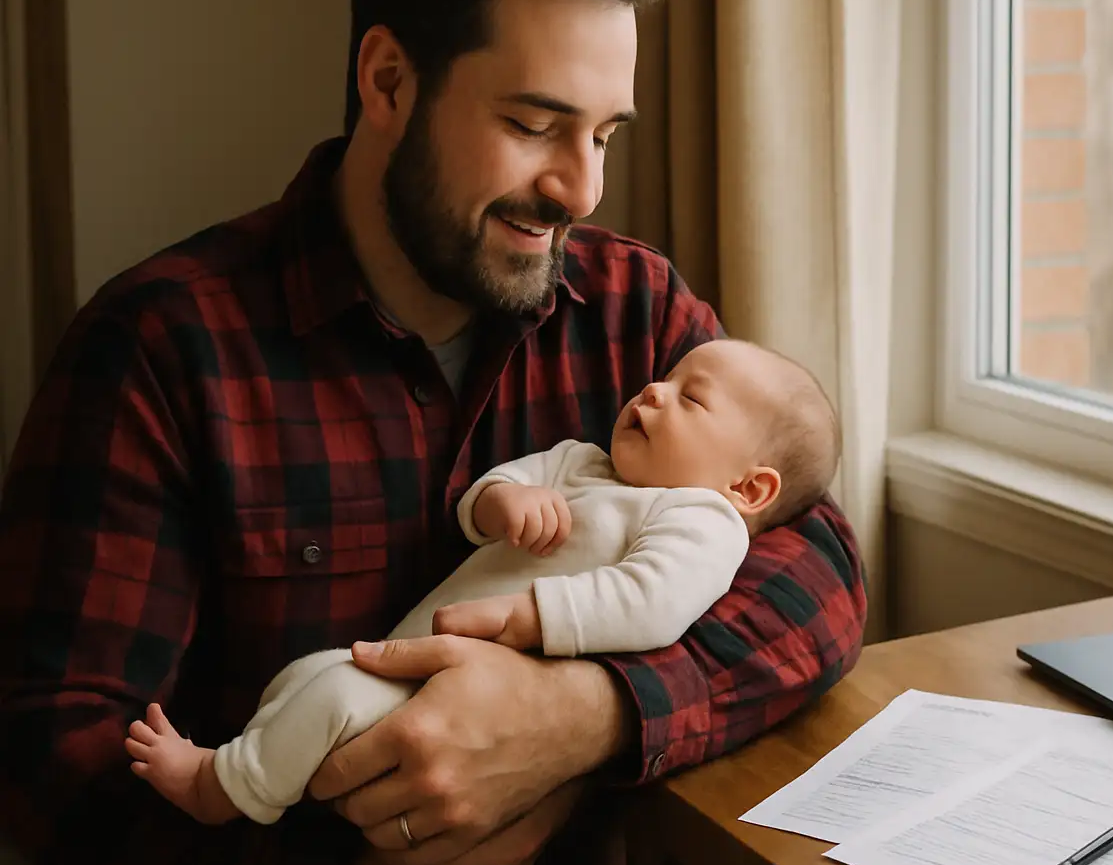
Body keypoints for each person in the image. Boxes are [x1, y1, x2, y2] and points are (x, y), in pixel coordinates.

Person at [0, 0, 866, 865]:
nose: (582, 189)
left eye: (603, 135)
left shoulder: (635, 311)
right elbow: (49, 752)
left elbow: (817, 566)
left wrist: (587, 716)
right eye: (535, 124)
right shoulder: (161, 350)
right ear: (388, 81)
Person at [126, 338, 841, 833]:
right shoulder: (583, 463)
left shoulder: (702, 520)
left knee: (333, 696)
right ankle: (272, 771)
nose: (655, 389)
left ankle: (223, 788)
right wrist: (502, 503)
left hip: (461, 695)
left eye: (692, 399)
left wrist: (532, 616)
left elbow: (652, 602)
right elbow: (490, 492)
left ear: (749, 487)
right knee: (305, 679)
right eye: (666, 378)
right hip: (405, 657)